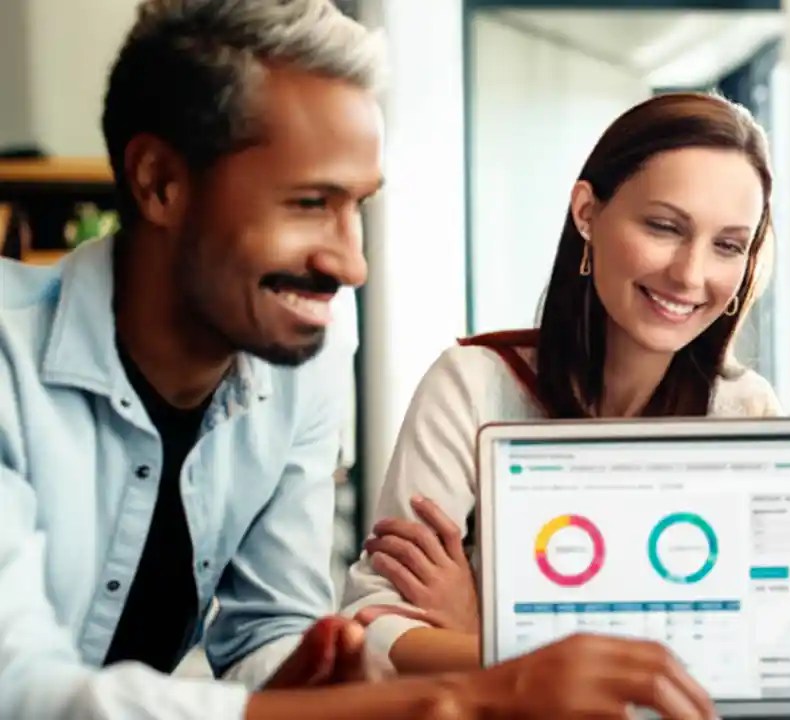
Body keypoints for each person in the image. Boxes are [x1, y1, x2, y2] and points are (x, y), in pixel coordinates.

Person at [0, 1, 717, 718]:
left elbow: (270, 631)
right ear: (160, 182)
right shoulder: (10, 356)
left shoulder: (301, 352)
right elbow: (22, 692)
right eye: (310, 203)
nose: (351, 264)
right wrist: (475, 687)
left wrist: (346, 678)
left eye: (358, 208)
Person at [340, 91, 783, 674]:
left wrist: (484, 637)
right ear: (586, 213)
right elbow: (374, 625)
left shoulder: (745, 411)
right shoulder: (474, 385)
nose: (691, 274)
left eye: (728, 245)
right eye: (664, 227)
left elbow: (749, 653)